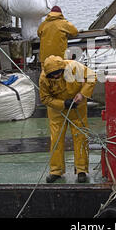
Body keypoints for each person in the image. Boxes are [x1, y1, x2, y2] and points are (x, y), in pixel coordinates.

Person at [39, 55, 97, 183]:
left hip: (77, 107)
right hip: (57, 110)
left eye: (58, 73)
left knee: (81, 136)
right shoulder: (43, 78)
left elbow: (92, 77)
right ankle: (56, 171)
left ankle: (81, 170)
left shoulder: (75, 67)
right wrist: (63, 104)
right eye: (52, 75)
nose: (55, 77)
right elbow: (45, 98)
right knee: (56, 138)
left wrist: (82, 94)